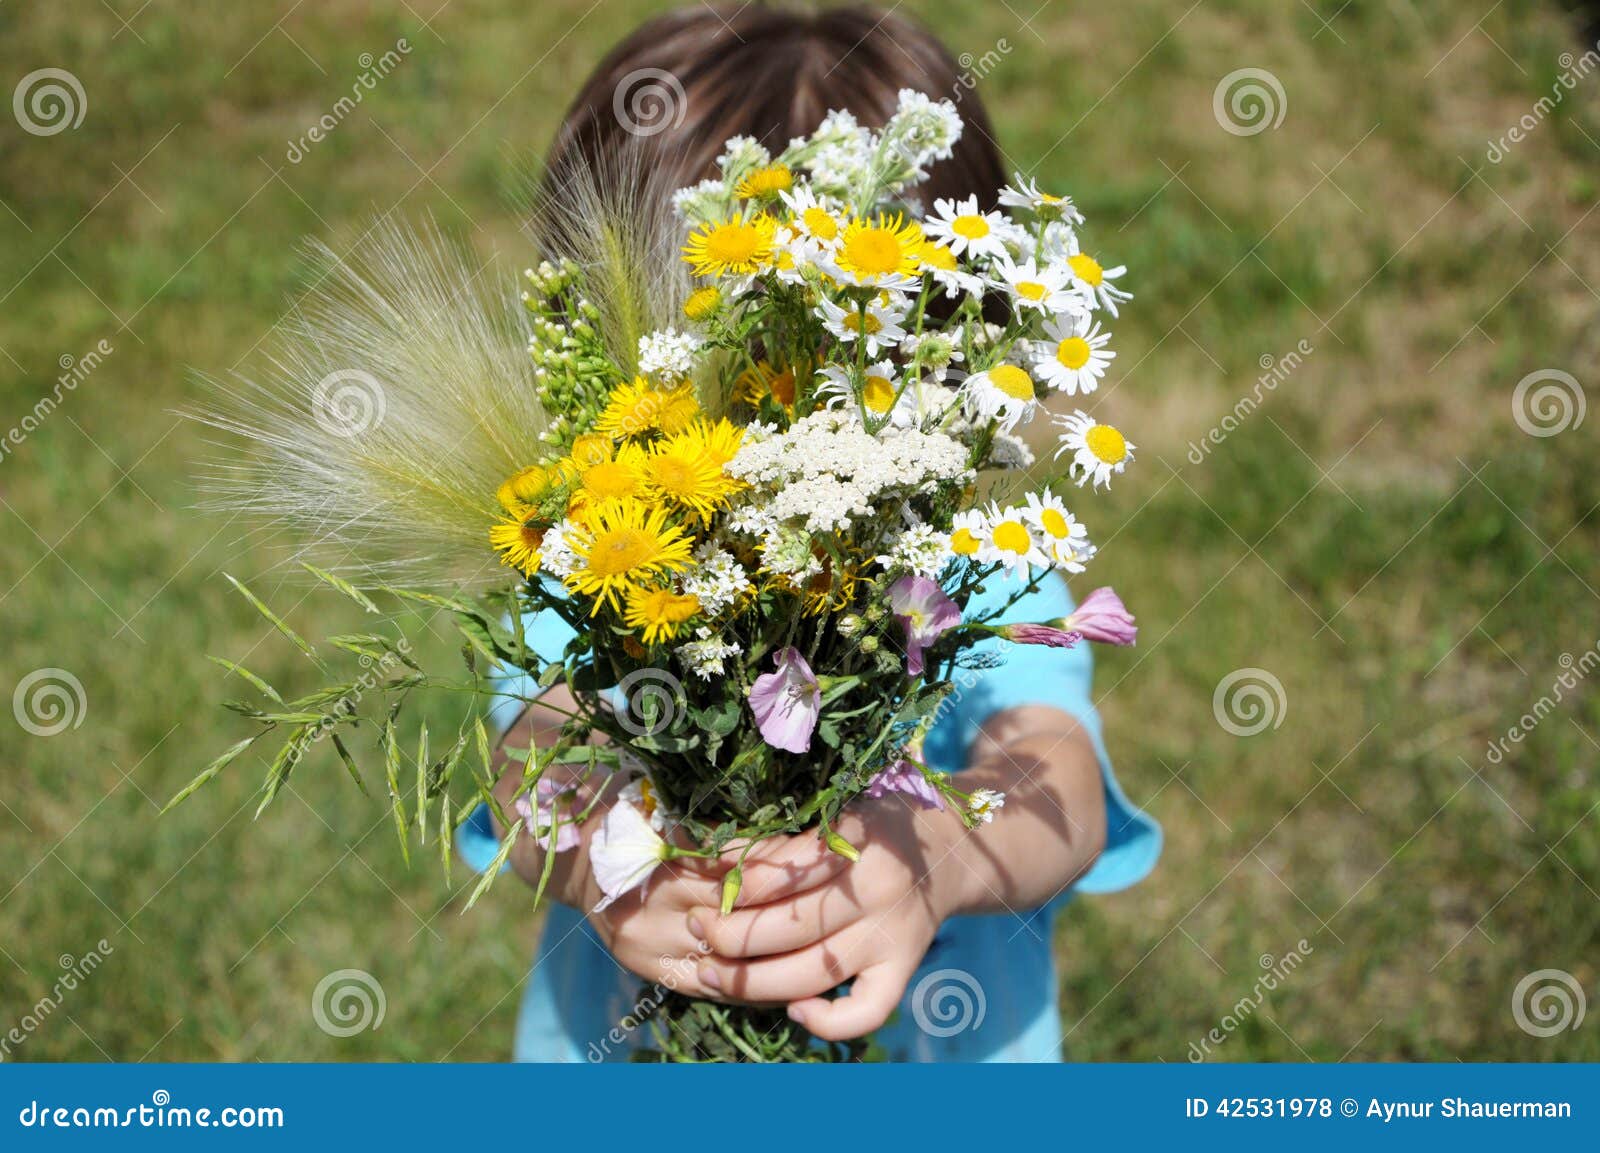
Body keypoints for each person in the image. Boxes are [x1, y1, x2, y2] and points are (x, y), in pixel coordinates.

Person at [457, 3, 1160, 1062]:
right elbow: (535, 741)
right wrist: (604, 848)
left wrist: (941, 851)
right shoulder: (600, 552)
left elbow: (1050, 767)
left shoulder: (968, 567)